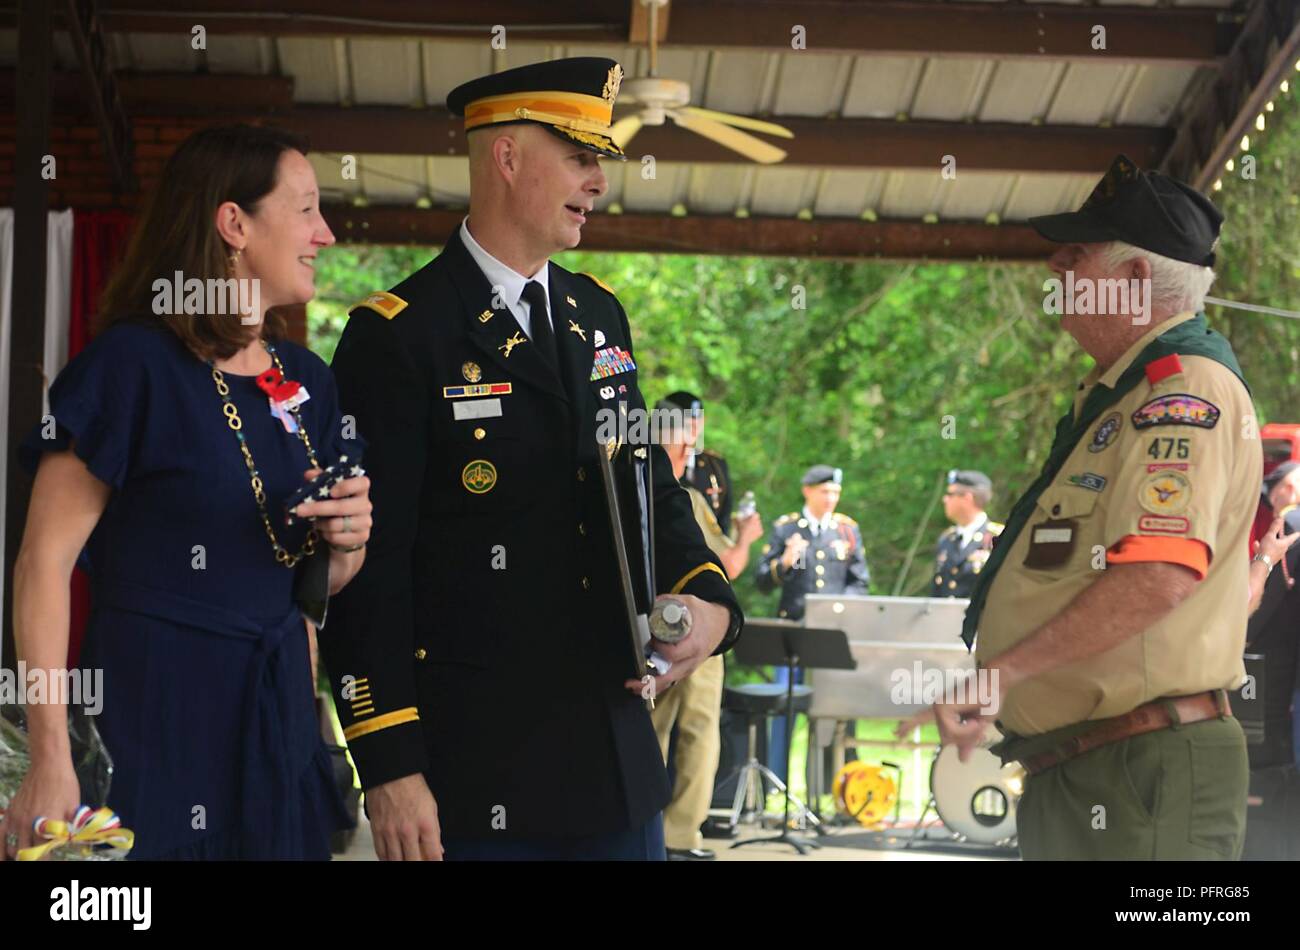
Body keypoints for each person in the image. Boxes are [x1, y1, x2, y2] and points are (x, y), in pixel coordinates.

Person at [318, 57, 743, 862]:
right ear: (507, 158)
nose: (599, 183)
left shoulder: (596, 315)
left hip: (614, 769)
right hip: (471, 777)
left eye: (600, 163)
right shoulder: (398, 336)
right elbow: (369, 572)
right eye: (581, 158)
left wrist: (711, 605)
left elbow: (647, 488)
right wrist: (389, 762)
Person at [2, 124, 370, 861]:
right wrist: (50, 758)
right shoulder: (130, 365)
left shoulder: (311, 381)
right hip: (152, 715)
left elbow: (313, 585)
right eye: (305, 209)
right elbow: (42, 563)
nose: (325, 233)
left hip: (277, 719)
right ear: (233, 222)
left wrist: (346, 542)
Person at [924, 154, 1260, 860]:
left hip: (1144, 772)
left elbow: (1157, 575)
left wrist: (1002, 675)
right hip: (1096, 767)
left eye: (1076, 256)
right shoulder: (1123, 394)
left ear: (1136, 280)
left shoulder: (1182, 392)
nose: (1056, 272)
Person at [649, 400, 762, 860]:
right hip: (692, 630)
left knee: (652, 731)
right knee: (697, 732)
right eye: (685, 436)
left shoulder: (627, 483)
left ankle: (652, 832)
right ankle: (679, 836)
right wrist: (749, 537)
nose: (690, 445)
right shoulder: (686, 499)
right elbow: (728, 566)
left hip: (653, 630)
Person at [755, 464, 869, 782]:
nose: (831, 498)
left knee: (829, 711)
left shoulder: (846, 531)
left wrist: (838, 610)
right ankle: (775, 784)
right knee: (784, 709)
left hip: (829, 636)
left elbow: (860, 582)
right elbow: (762, 580)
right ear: (807, 490)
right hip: (792, 633)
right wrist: (785, 562)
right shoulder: (787, 528)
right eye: (824, 491)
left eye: (835, 491)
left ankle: (822, 786)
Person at [660, 390, 735, 530]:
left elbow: (724, 519)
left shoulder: (715, 465)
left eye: (697, 423)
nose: (694, 431)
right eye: (688, 425)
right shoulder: (654, 463)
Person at [932, 469, 1003, 598]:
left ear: (967, 498)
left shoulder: (999, 538)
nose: (945, 499)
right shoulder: (946, 539)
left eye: (950, 494)